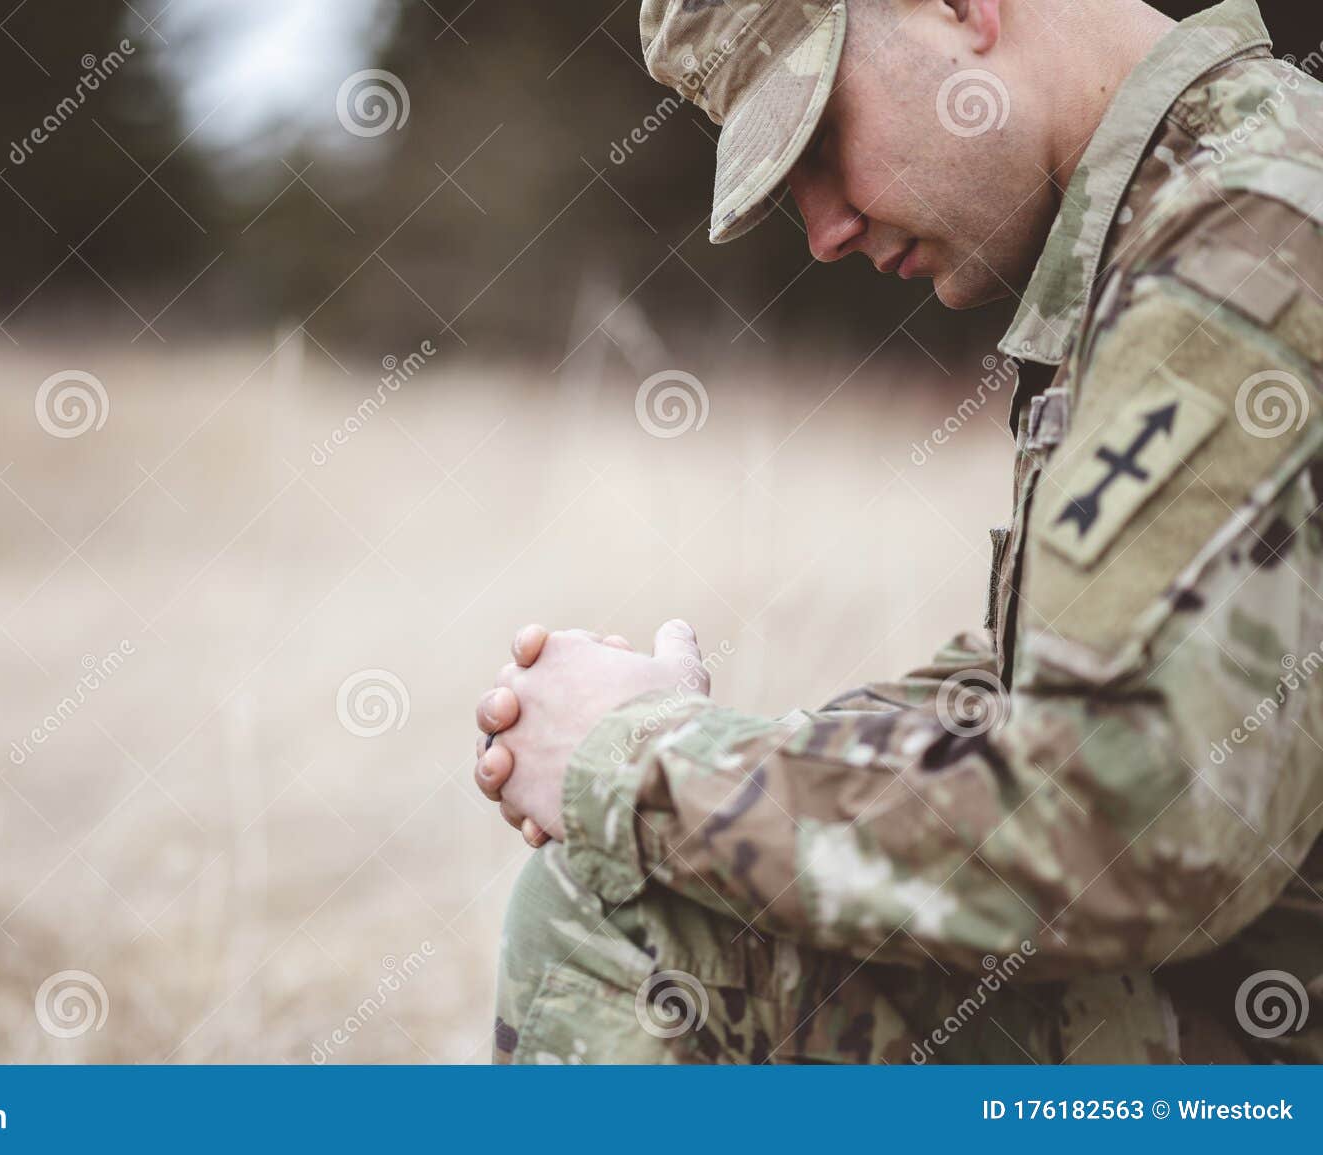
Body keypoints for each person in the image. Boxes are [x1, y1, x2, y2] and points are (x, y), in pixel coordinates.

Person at [472, 0, 1323, 1064]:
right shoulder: (1207, 202)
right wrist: (735, 759)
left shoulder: (1239, 246)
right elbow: (1064, 688)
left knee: (634, 923)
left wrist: (644, 765)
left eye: (823, 137)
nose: (824, 231)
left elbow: (1125, 829)